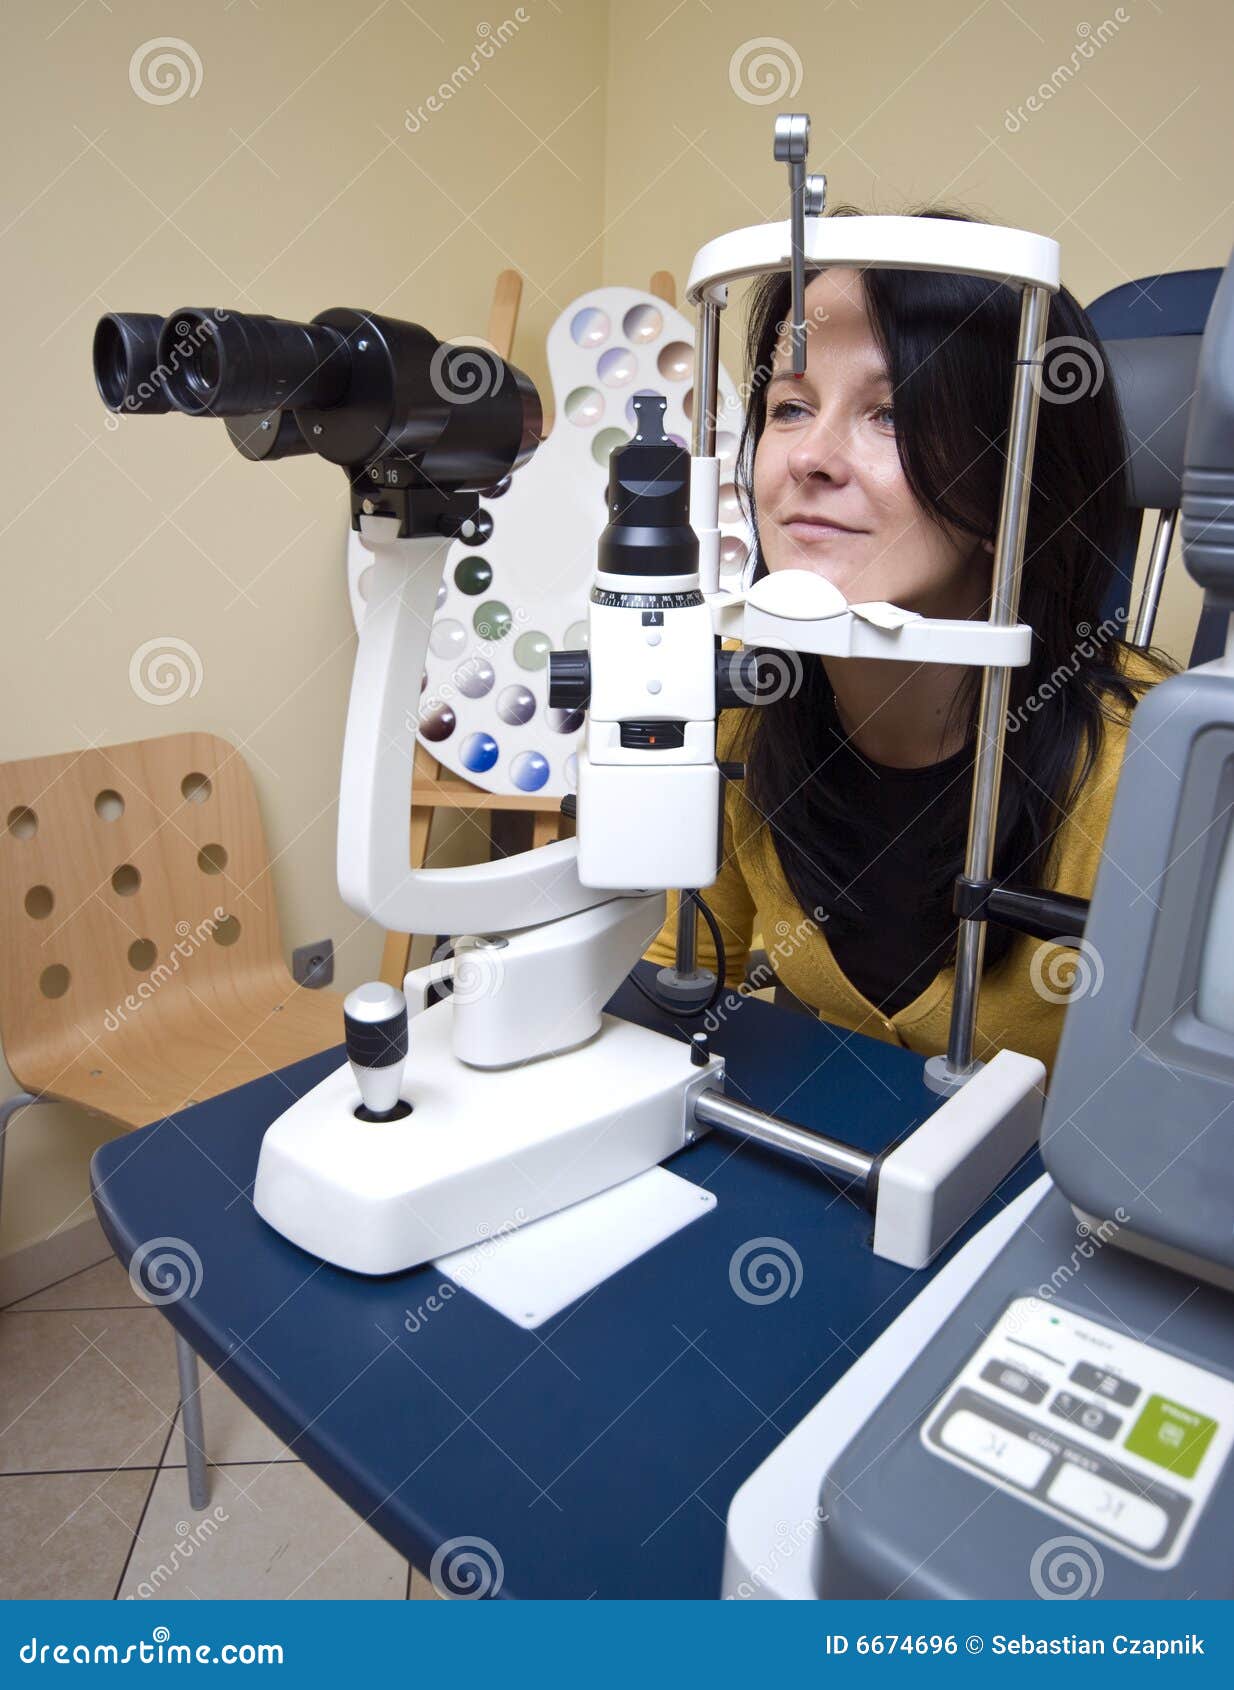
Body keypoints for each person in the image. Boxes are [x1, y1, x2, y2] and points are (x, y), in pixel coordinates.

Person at [641, 207, 1176, 1076]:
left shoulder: (1155, 774)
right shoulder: (747, 707)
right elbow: (687, 987)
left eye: (889, 415)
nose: (809, 457)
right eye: (789, 405)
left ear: (1016, 486)